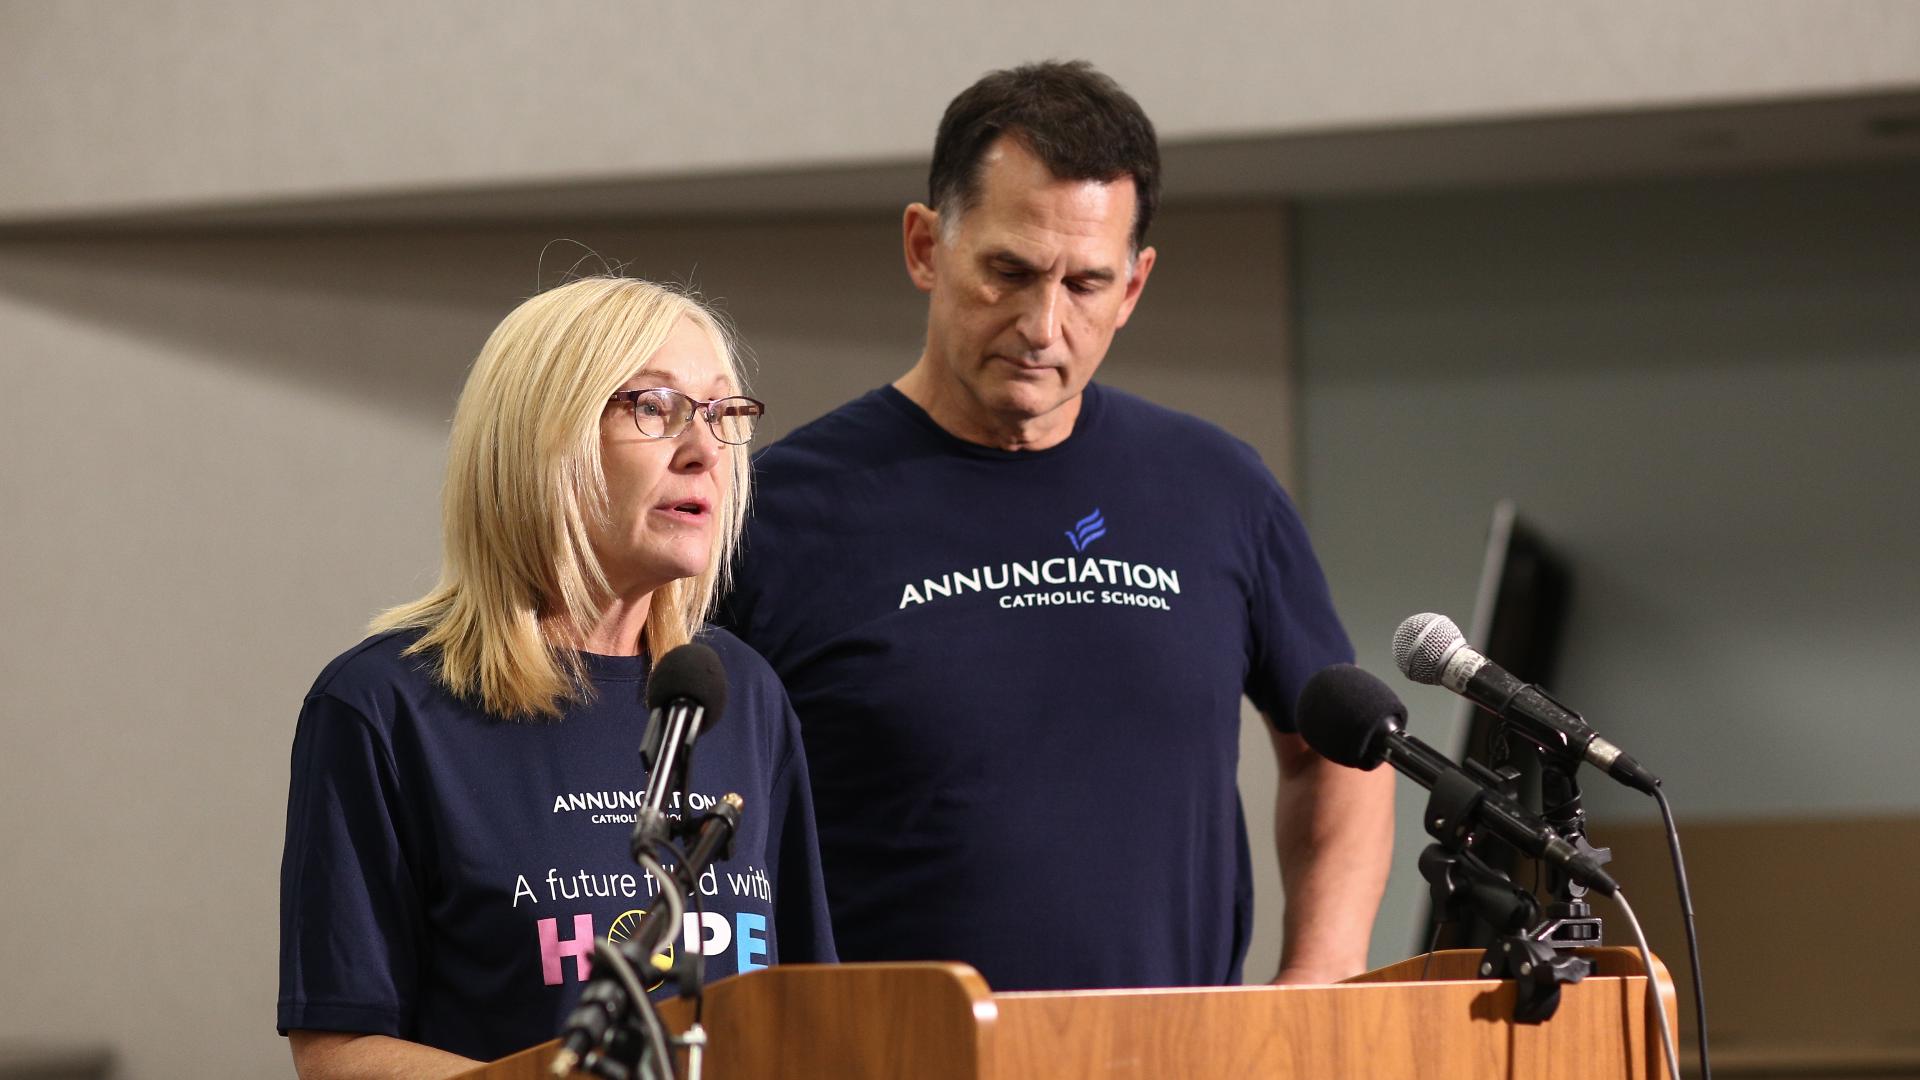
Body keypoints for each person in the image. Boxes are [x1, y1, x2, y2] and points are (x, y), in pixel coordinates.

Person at [720, 61, 1394, 992]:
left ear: (1134, 286)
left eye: (1086, 282)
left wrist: (1318, 982)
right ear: (925, 246)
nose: (1044, 324)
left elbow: (1344, 754)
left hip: (1176, 1058)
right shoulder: (775, 512)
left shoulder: (1217, 487)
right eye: (1009, 271)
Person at [278, 277, 835, 1076]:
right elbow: (338, 1051)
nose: (704, 450)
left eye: (721, 414)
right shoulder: (384, 709)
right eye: (656, 408)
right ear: (543, 439)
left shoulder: (738, 693)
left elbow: (807, 1008)